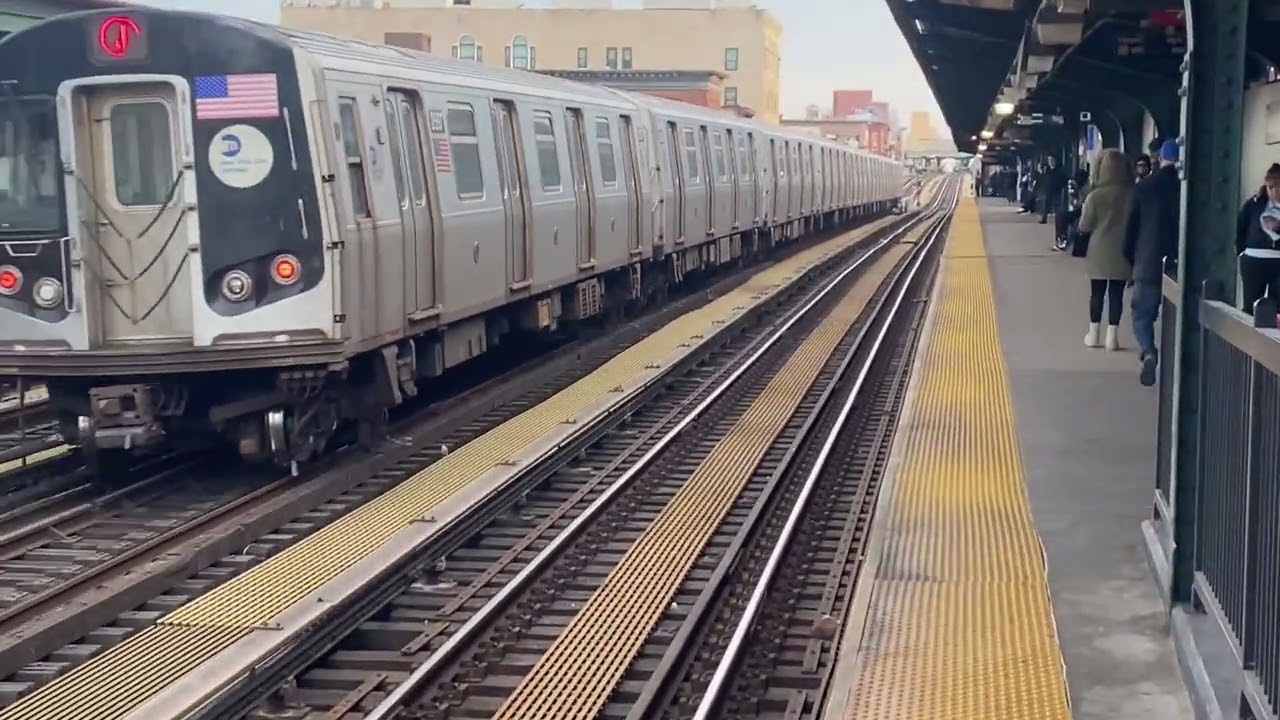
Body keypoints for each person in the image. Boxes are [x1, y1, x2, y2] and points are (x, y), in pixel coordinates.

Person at [1124, 139, 1181, 387]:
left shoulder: (1144, 187)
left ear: (1160, 158)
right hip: (1183, 266)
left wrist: (1131, 259)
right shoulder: (1191, 187)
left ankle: (1149, 351)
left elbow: (1130, 229)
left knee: (1142, 315)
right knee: (1182, 317)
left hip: (1148, 262)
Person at [1078, 149, 1134, 349]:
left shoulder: (1095, 196)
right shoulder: (1131, 195)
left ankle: (1093, 335)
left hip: (1098, 249)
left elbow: (1084, 226)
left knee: (1097, 294)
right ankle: (1112, 338)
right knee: (1116, 295)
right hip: (1123, 249)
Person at [1235, 163, 1280, 313]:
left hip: (1278, 258)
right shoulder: (1254, 203)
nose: (1274, 192)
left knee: (1277, 309)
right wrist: (1241, 251)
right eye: (1270, 187)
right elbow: (1240, 226)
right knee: (1250, 306)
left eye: (1278, 187)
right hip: (1253, 258)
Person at [1038, 156, 1065, 225]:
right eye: (1049, 160)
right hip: (1048, 190)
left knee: (1057, 206)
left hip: (1056, 191)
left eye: (1051, 160)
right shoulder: (1047, 170)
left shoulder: (1058, 170)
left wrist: (1059, 186)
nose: (1050, 162)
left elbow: (1063, 179)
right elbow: (1044, 179)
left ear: (1055, 161)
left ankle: (1059, 219)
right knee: (1046, 205)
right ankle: (1044, 218)